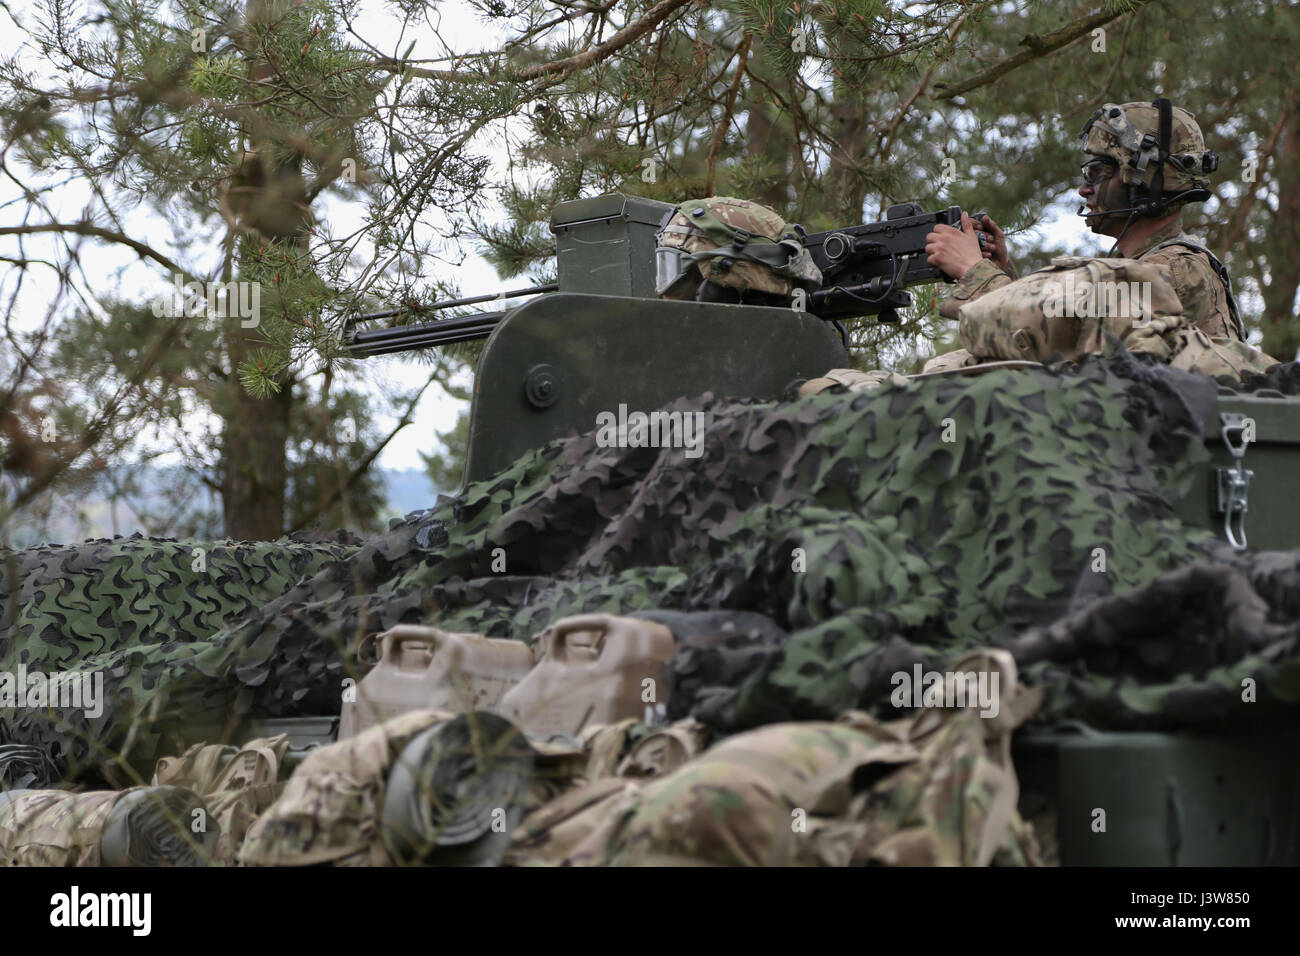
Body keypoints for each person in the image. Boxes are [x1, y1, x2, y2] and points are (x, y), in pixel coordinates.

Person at [920, 99, 1253, 375]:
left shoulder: (1176, 269)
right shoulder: (1141, 264)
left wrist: (974, 271)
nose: (1084, 188)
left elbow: (1065, 333)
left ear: (1141, 179)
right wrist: (1002, 275)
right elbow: (1063, 345)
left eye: (1099, 173)